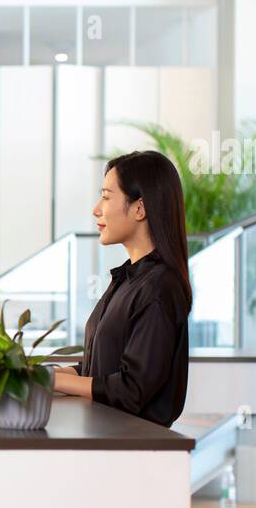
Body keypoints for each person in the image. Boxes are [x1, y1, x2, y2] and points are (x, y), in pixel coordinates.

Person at [52, 149, 192, 429]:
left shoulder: (159, 288)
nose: (96, 209)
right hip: (107, 438)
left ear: (139, 208)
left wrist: (50, 380)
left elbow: (131, 389)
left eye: (105, 196)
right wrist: (33, 375)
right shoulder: (129, 280)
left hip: (131, 453)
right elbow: (101, 370)